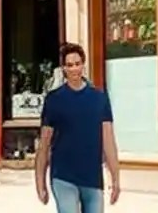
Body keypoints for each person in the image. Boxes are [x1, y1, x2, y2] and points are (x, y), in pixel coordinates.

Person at [35, 43, 120, 213]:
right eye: (69, 65)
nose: (74, 69)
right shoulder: (54, 100)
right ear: (63, 68)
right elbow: (44, 144)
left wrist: (115, 177)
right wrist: (40, 181)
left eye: (77, 64)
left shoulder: (99, 99)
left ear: (83, 64)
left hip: (92, 177)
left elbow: (108, 141)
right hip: (63, 176)